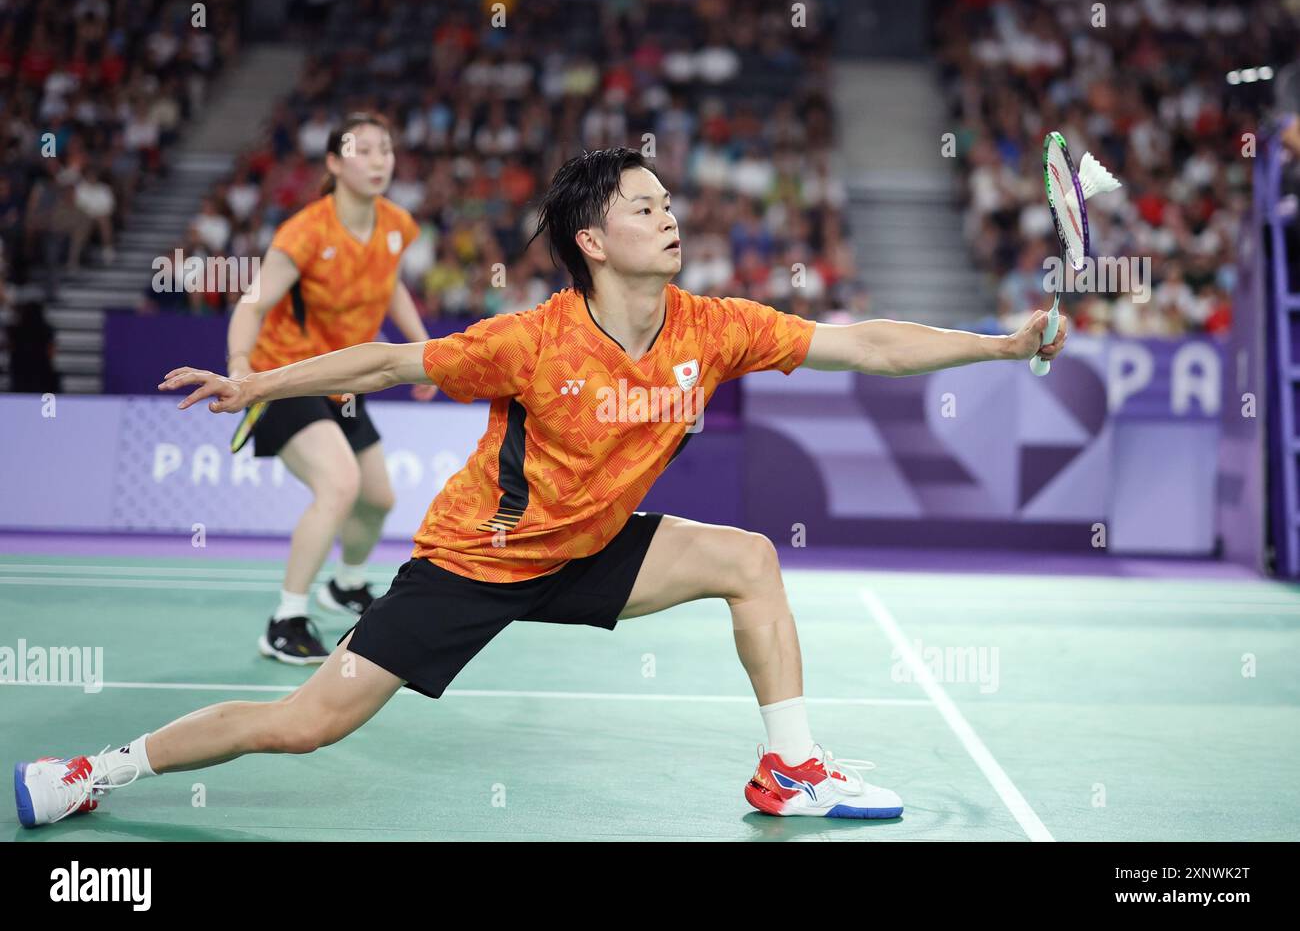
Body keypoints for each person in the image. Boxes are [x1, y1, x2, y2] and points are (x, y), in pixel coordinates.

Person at [15, 148, 1066, 826]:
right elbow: (382, 362)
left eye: (667, 202)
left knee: (749, 558)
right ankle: (97, 769)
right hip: (478, 558)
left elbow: (868, 344)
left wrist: (1000, 342)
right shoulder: (528, 340)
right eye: (643, 207)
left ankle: (787, 769)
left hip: (595, 545)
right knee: (307, 724)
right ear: (593, 242)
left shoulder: (716, 326)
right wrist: (253, 379)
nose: (669, 217)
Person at [225, 112, 437, 664]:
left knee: (378, 499)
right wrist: (241, 368)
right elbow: (253, 302)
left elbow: (388, 286)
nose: (378, 160)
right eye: (362, 150)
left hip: (344, 384)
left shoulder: (395, 224)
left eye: (385, 150)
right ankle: (286, 618)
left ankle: (344, 585)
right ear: (335, 164)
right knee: (339, 485)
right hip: (284, 378)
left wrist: (423, 352)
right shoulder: (305, 231)